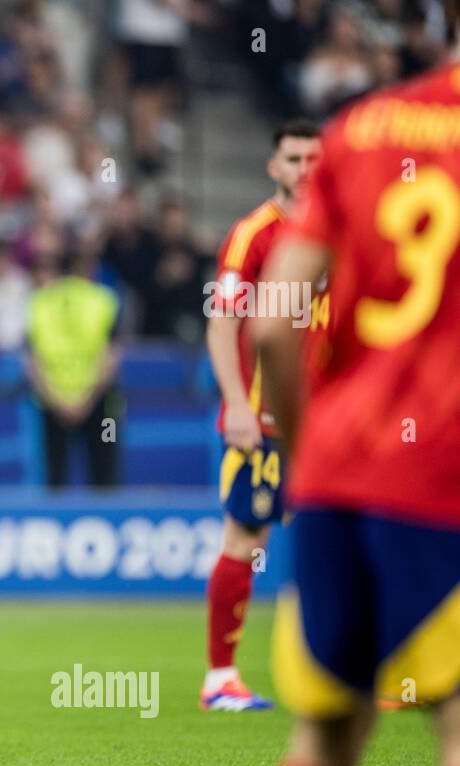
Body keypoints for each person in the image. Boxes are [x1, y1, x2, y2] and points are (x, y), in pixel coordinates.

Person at [255, 56, 460, 766]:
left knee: (323, 744)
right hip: (443, 474)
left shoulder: (359, 127)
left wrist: (306, 464)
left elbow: (273, 323)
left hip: (336, 473)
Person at [201, 119, 323, 712]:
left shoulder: (343, 233)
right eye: (294, 159)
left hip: (330, 421)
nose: (305, 170)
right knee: (247, 537)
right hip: (265, 419)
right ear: (274, 167)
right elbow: (222, 323)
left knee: (346, 541)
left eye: (314, 159)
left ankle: (354, 676)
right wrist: (239, 405)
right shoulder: (253, 235)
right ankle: (220, 678)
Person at [27, 248, 122, 488]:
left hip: (53, 400)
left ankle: (53, 522)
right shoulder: (104, 299)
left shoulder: (40, 301)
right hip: (99, 400)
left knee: (55, 474)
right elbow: (111, 357)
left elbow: (32, 360)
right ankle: (107, 520)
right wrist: (88, 399)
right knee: (104, 471)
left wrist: (57, 399)